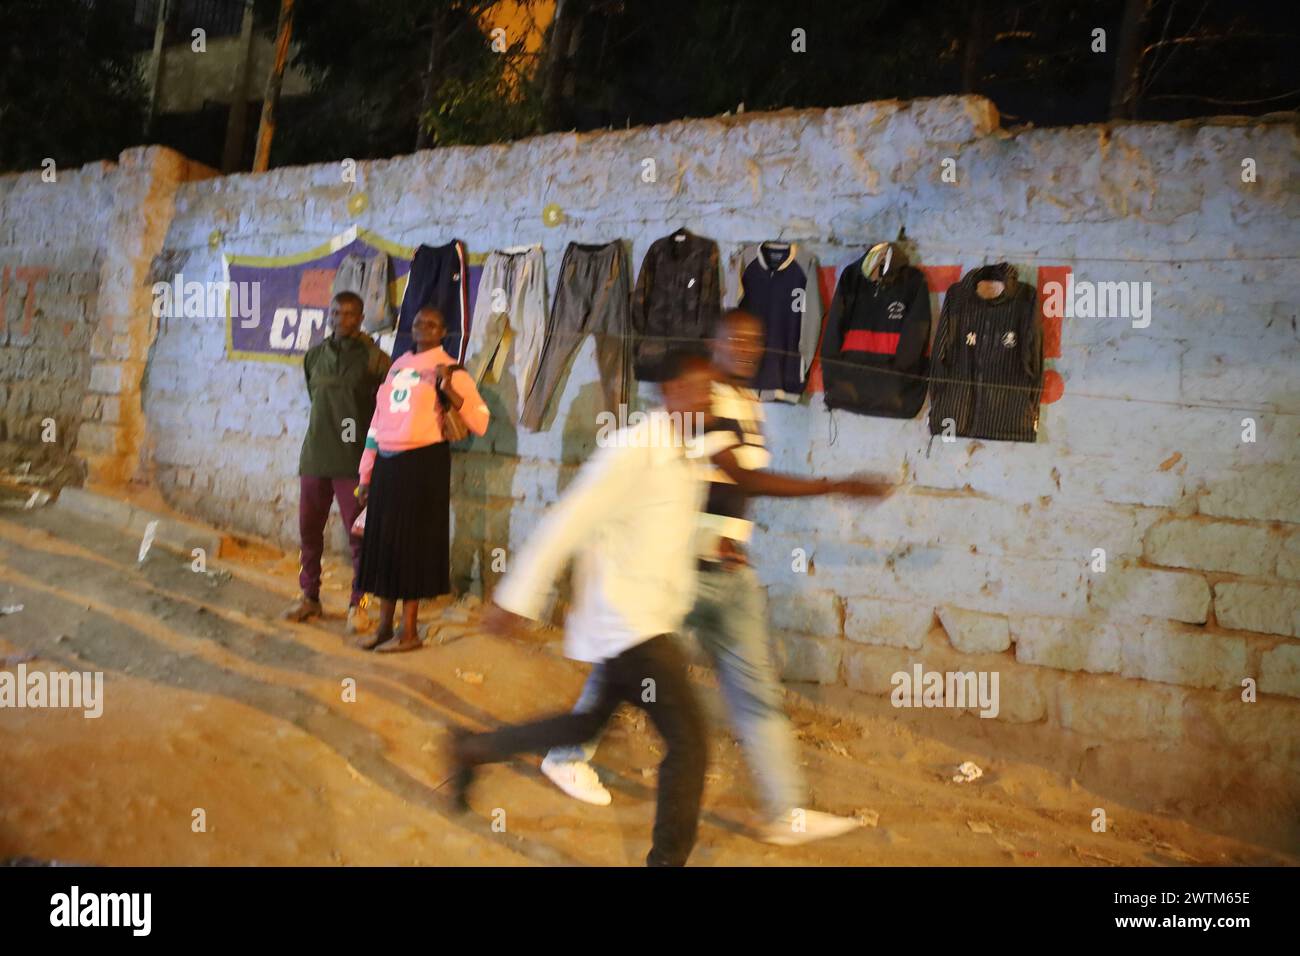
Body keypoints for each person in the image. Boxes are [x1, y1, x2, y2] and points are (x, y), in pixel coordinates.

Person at [543, 308, 895, 846]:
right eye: (737, 340)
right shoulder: (698, 400)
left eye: (756, 341)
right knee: (624, 667)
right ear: (714, 342)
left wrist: (735, 540)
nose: (748, 349)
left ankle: (785, 811)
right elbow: (739, 475)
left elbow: (729, 490)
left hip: (728, 573)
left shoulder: (747, 402)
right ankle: (565, 756)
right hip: (680, 569)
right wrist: (834, 486)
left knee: (755, 692)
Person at [451, 351, 726, 867]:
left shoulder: (687, 454)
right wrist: (517, 598)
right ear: (669, 393)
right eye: (698, 388)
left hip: (647, 620)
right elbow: (568, 519)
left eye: (712, 390)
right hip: (629, 625)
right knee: (690, 745)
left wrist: (715, 544)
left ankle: (473, 749)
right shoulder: (633, 451)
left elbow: (664, 529)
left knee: (582, 729)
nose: (708, 399)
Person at [353, 307, 490, 651]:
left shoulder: (451, 368)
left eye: (431, 323)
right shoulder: (398, 365)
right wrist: (366, 473)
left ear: (443, 331)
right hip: (387, 463)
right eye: (417, 322)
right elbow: (377, 420)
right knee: (385, 544)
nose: (422, 327)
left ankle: (409, 632)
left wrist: (447, 385)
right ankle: (385, 627)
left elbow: (480, 421)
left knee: (410, 547)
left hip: (423, 463)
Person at [283, 291, 391, 635]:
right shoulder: (314, 357)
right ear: (329, 315)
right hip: (315, 456)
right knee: (309, 532)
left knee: (359, 538)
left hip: (353, 462)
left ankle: (358, 606)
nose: (342, 319)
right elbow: (317, 399)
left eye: (350, 314)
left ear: (361, 318)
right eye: (336, 312)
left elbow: (383, 410)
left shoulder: (376, 359)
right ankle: (309, 597)